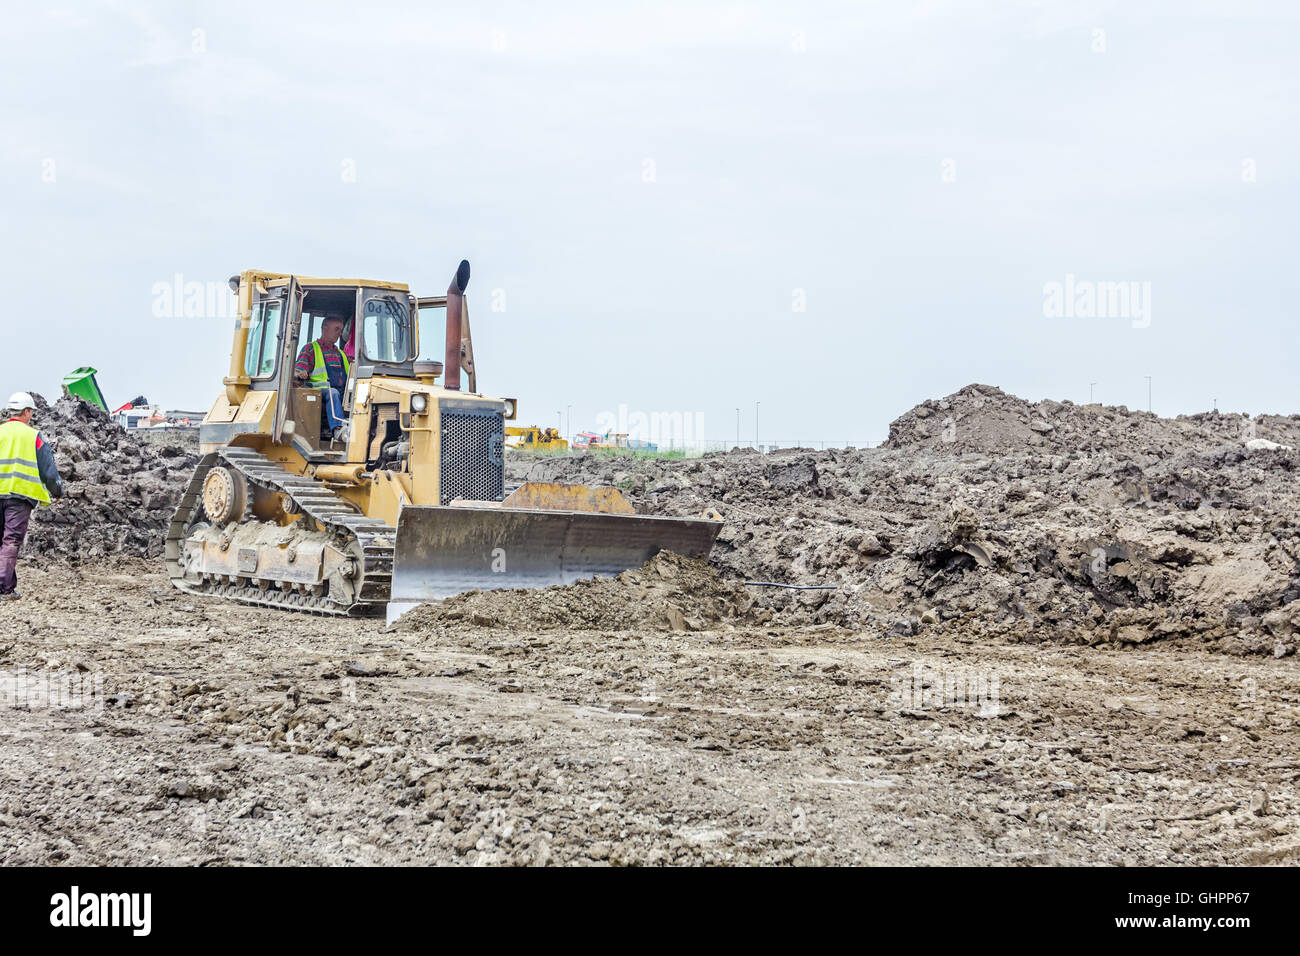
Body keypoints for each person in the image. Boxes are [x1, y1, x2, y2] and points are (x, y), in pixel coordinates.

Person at [0, 392, 64, 599]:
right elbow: (48, 471)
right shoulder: (33, 436)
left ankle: (7, 584)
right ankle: (4, 589)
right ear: (26, 412)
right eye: (31, 412)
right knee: (10, 541)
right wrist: (57, 491)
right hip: (19, 496)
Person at [293, 315, 350, 442]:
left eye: (341, 330)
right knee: (332, 393)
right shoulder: (311, 349)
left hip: (340, 393)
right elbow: (298, 371)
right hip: (319, 391)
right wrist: (300, 373)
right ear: (325, 328)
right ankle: (338, 429)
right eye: (336, 329)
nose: (339, 333)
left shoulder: (340, 353)